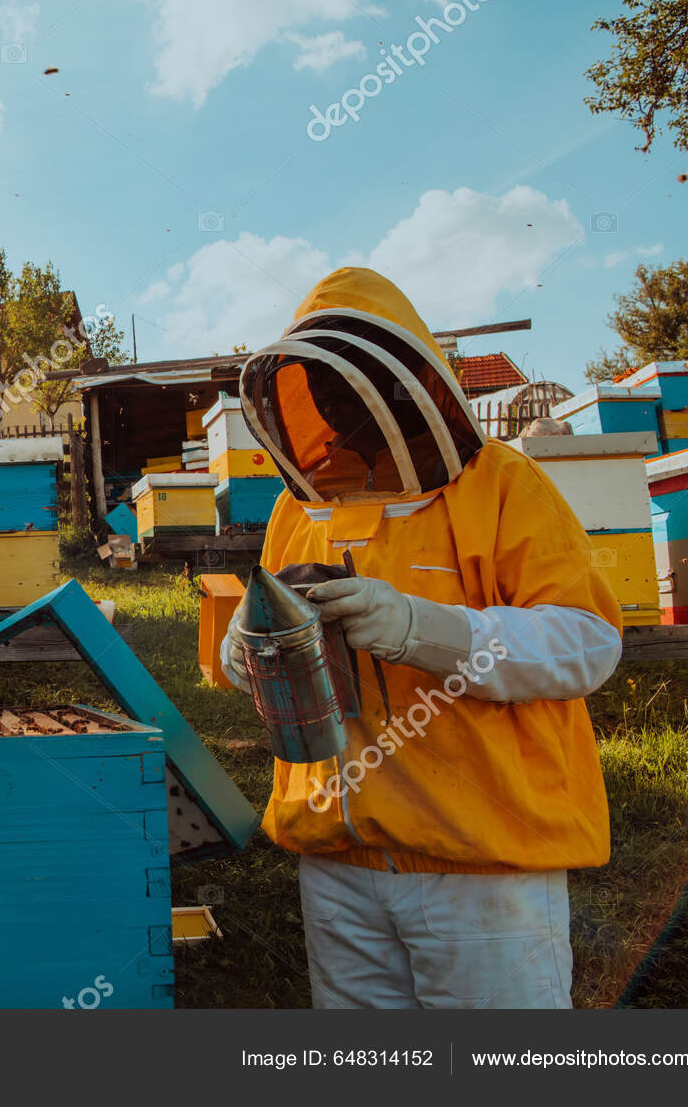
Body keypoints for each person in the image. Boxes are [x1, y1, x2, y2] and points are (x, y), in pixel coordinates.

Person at [220, 267, 621, 1009]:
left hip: (481, 869)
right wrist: (243, 648)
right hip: (338, 863)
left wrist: (420, 629)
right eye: (323, 390)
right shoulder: (295, 509)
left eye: (355, 385)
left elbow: (588, 641)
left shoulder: (503, 484)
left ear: (410, 380)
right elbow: (262, 626)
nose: (341, 408)